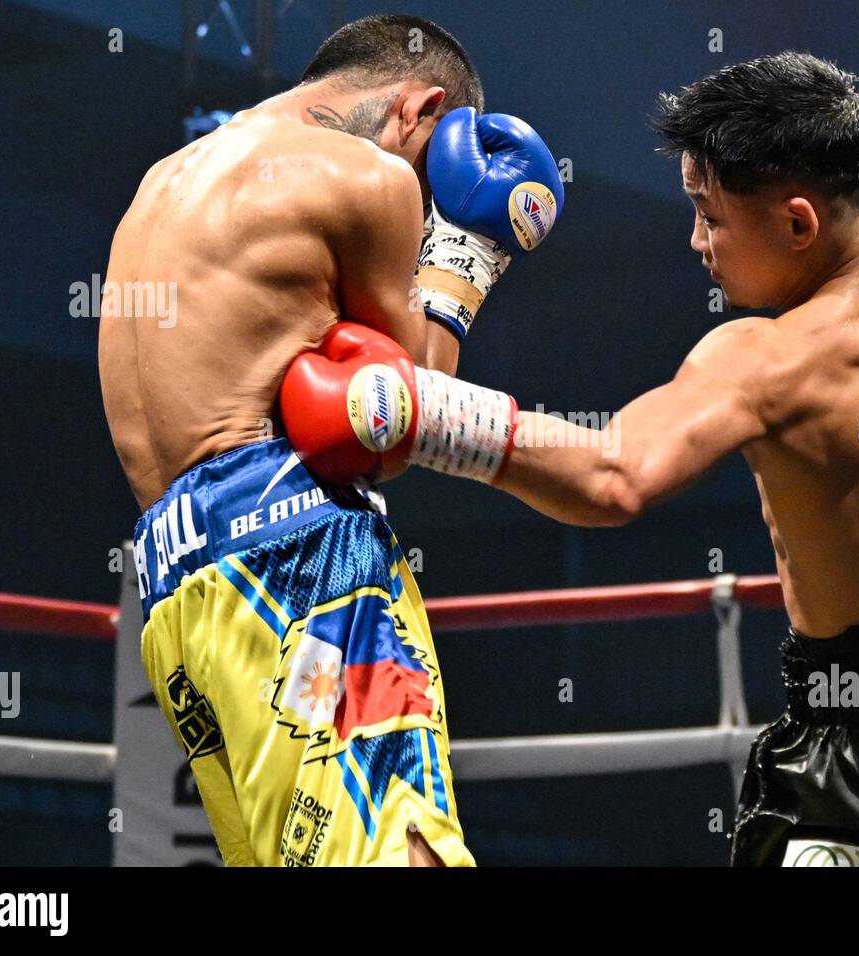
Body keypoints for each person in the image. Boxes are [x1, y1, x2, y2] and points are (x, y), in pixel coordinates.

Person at [282, 52, 859, 866]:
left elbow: (616, 475)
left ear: (798, 221)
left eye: (710, 214)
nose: (696, 241)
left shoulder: (761, 359)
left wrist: (420, 414)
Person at [98, 13, 562, 866]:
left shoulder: (160, 182)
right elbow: (410, 406)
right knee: (399, 846)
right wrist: (467, 250)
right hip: (303, 565)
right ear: (421, 113)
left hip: (172, 594)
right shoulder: (368, 177)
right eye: (433, 182)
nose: (422, 206)